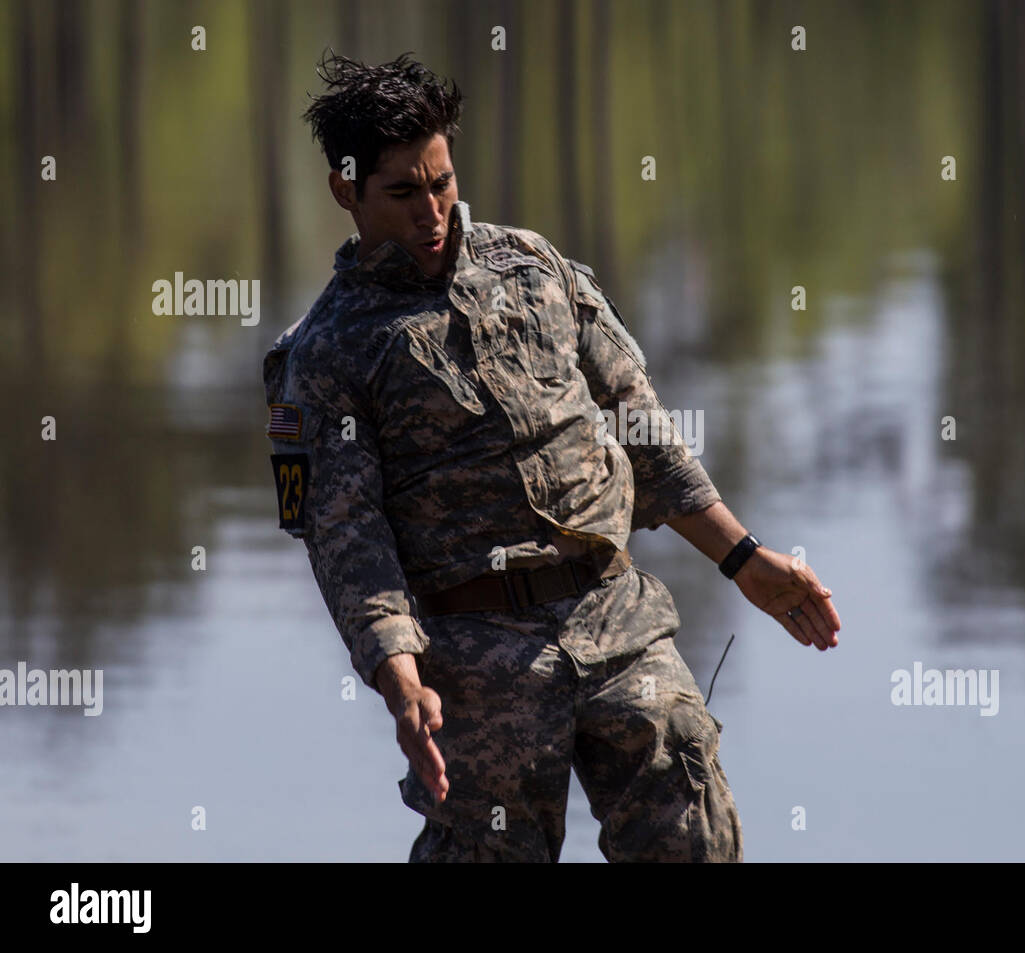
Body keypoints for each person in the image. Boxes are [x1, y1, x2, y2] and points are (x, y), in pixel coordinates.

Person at [263, 52, 842, 862]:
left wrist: (744, 559)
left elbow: (643, 430)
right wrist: (400, 680)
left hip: (619, 620)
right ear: (345, 191)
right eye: (402, 193)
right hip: (474, 657)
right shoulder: (325, 355)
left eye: (443, 182)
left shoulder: (534, 267)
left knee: (697, 837)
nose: (432, 212)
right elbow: (349, 543)